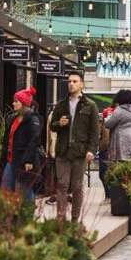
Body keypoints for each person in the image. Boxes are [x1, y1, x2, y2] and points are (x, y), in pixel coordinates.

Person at [49, 72, 98, 222]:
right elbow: (52, 126)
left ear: (82, 84)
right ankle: (61, 218)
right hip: (63, 151)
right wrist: (59, 124)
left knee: (77, 187)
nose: (71, 84)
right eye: (69, 81)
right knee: (62, 185)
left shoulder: (90, 105)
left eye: (75, 81)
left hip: (80, 152)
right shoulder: (61, 104)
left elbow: (94, 131)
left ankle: (75, 218)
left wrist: (91, 150)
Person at [1, 87, 41, 202]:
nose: (13, 103)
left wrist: (29, 160)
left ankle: (28, 215)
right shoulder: (12, 119)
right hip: (11, 159)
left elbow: (34, 141)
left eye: (16, 101)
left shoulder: (32, 119)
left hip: (24, 161)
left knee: (25, 189)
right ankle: (9, 215)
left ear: (23, 103)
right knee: (6, 188)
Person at [99, 101, 117, 201]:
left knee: (107, 173)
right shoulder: (106, 115)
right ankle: (108, 195)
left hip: (109, 150)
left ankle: (110, 196)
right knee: (103, 173)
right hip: (104, 149)